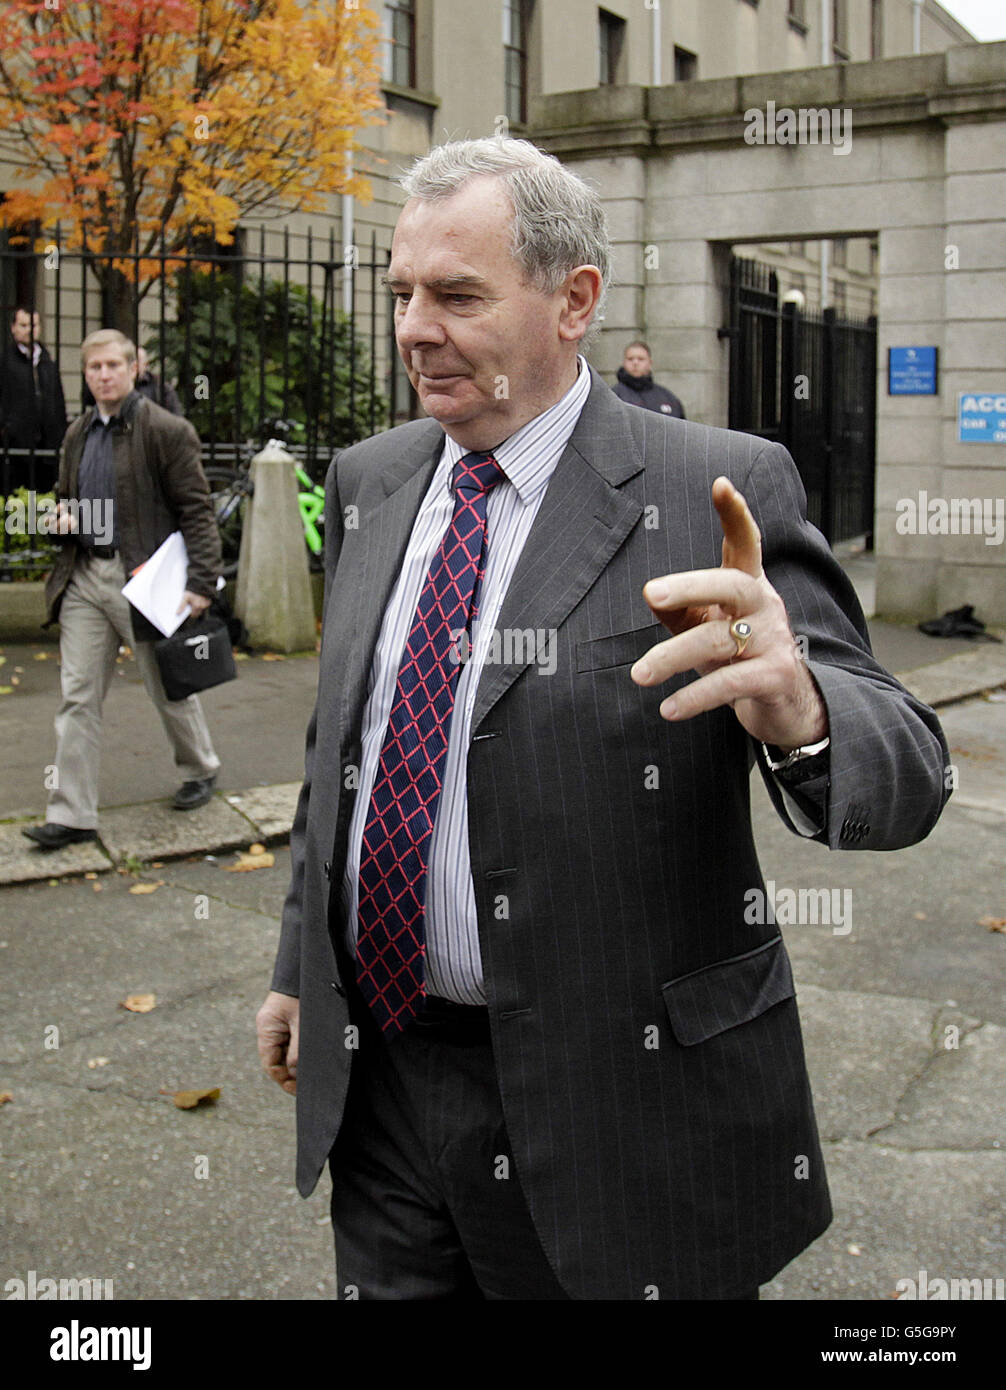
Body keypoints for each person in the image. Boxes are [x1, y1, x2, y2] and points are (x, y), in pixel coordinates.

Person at [256, 138, 949, 1301]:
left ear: (575, 299)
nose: (415, 328)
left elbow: (912, 771)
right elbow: (348, 757)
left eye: (458, 295)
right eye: (401, 294)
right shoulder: (372, 477)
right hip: (386, 1098)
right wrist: (296, 968)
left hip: (617, 1116)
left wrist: (803, 706)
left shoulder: (713, 487)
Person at [22, 329, 221, 851]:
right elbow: (69, 499)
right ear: (86, 376)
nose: (104, 375)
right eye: (94, 368)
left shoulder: (165, 430)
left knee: (166, 686)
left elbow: (196, 510)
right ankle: (72, 814)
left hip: (143, 582)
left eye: (113, 365)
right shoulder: (76, 434)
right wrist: (60, 518)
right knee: (77, 697)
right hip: (86, 578)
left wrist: (201, 583)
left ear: (134, 369)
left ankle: (200, 766)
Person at [0, 306, 68, 491]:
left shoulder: (47, 361)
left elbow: (58, 401)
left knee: (44, 501)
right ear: (13, 327)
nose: (30, 329)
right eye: (23, 325)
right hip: (15, 449)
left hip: (47, 448)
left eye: (34, 325)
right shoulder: (6, 361)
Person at [613, 339, 686, 418]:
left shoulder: (668, 399)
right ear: (624, 362)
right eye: (630, 359)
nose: (635, 363)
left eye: (641, 359)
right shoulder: (614, 396)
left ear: (650, 363)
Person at [135, 347, 183, 416]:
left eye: (138, 361)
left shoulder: (161, 386)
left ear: (146, 364)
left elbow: (176, 418)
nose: (133, 364)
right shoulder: (119, 385)